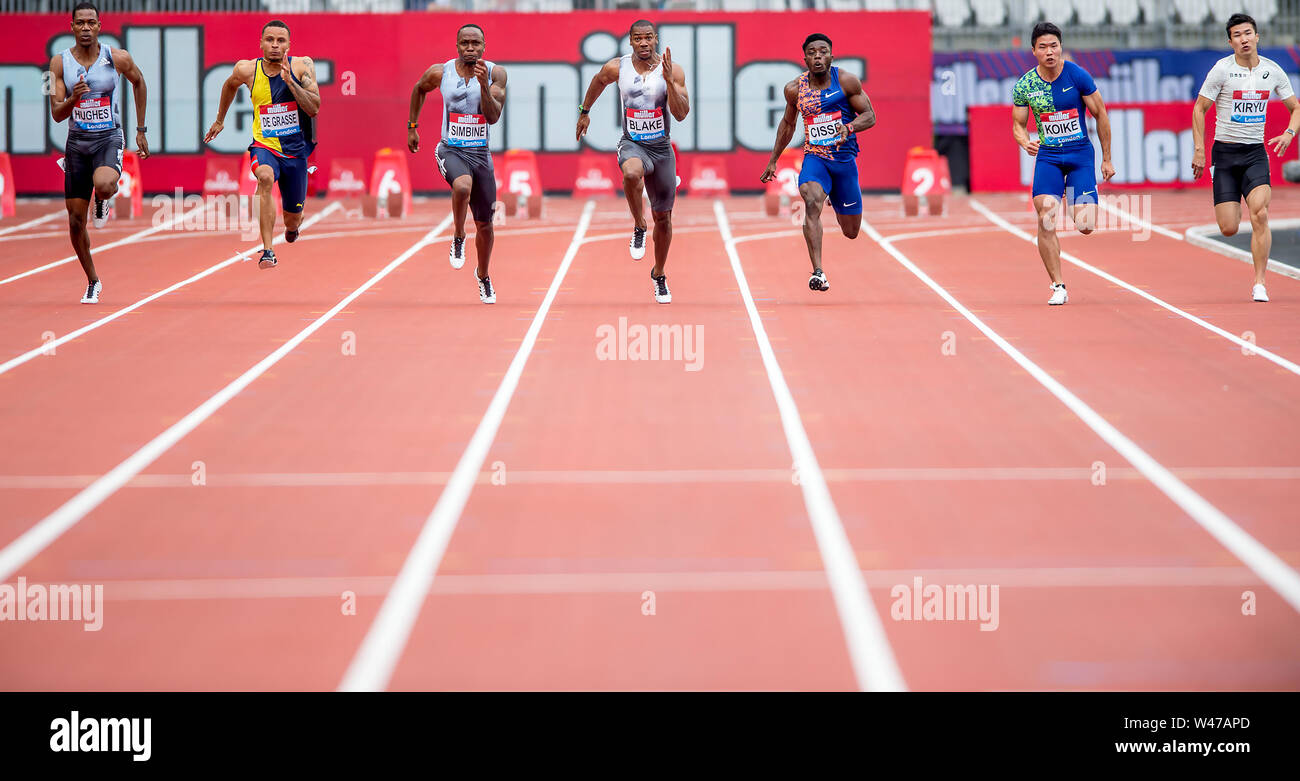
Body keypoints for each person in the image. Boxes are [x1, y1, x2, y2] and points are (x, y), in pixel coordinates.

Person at [577, 19, 689, 303]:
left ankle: (659, 274)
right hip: (633, 143)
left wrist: (670, 84)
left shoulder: (672, 70)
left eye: (648, 38)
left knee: (663, 218)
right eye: (637, 38)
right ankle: (639, 225)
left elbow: (681, 113)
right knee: (630, 174)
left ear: (655, 39)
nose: (643, 43)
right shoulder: (618, 67)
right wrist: (584, 111)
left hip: (662, 149)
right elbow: (598, 81)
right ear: (630, 41)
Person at [1192, 12, 1299, 303]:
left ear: (1257, 36)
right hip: (1225, 155)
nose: (1244, 39)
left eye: (1248, 33)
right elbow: (1199, 109)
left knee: (1261, 214)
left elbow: (1296, 107)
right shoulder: (1221, 70)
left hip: (1254, 154)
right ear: (1231, 42)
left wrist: (1290, 132)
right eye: (1237, 35)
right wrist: (1200, 151)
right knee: (1228, 228)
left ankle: (1260, 283)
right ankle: (1232, 198)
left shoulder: (1273, 70)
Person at [47, 1, 150, 304]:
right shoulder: (57, 64)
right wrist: (72, 99)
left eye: (91, 22)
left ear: (99, 26)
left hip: (108, 137)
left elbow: (139, 82)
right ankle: (93, 280)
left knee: (104, 184)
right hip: (77, 143)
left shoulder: (116, 58)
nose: (86, 28)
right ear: (72, 27)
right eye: (80, 23)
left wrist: (141, 130)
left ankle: (102, 199)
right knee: (76, 221)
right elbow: (55, 113)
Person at [760, 32, 875, 292]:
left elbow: (870, 115)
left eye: (822, 51)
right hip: (815, 158)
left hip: (844, 161)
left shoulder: (846, 81)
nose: (817, 56)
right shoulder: (795, 89)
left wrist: (850, 127)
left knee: (851, 231)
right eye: (812, 53)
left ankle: (835, 195)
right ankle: (819, 272)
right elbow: (788, 124)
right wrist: (773, 160)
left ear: (831, 56)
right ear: (805, 59)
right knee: (811, 200)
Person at [1011, 22, 1115, 306]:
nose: (1049, 52)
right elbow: (1018, 125)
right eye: (1043, 47)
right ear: (1034, 51)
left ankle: (1076, 194)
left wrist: (1106, 158)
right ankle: (1058, 285)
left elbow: (1100, 114)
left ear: (1061, 48)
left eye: (1054, 46)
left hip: (1080, 154)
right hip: (1049, 156)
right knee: (1045, 213)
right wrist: (1024, 141)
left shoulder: (1078, 75)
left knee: (1085, 224)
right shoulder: (1025, 86)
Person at [205, 19, 320, 270]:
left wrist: (291, 83)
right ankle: (268, 250)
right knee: (265, 178)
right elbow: (229, 86)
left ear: (289, 45)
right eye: (270, 40)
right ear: (261, 43)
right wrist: (219, 120)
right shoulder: (246, 69)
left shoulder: (303, 66)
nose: (275, 45)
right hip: (264, 145)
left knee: (293, 219)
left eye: (281, 41)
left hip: (296, 152)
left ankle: (291, 229)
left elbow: (314, 108)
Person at [408, 23, 507, 304]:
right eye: (465, 43)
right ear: (457, 46)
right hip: (450, 149)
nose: (470, 48)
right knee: (462, 186)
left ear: (484, 46)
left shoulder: (496, 73)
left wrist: (484, 85)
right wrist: (412, 126)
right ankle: (458, 235)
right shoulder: (441, 72)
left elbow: (492, 117)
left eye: (476, 44)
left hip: (480, 154)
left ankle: (484, 276)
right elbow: (419, 89)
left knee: (486, 226)